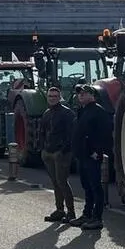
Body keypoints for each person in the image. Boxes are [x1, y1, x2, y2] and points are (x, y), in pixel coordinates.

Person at [69, 84, 113, 231]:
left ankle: (97, 217)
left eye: (84, 93)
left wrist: (98, 152)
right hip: (82, 155)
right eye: (79, 93)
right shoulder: (82, 111)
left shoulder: (98, 112)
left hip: (92, 156)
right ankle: (87, 214)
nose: (81, 95)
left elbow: (106, 134)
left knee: (96, 187)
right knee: (86, 186)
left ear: (92, 95)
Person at [40, 86, 77, 223]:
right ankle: (59, 210)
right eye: (50, 96)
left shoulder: (67, 114)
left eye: (55, 96)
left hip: (61, 153)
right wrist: (42, 149)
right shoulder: (46, 114)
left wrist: (63, 151)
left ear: (59, 97)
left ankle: (71, 212)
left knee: (62, 182)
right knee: (55, 183)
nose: (52, 98)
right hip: (48, 152)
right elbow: (42, 132)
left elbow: (71, 135)